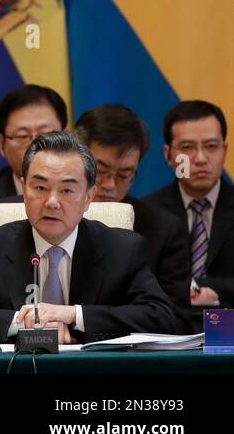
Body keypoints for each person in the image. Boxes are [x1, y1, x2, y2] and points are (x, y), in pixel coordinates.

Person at [0, 131, 177, 344]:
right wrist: (23, 322)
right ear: (24, 189)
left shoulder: (123, 249)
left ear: (88, 197)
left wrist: (73, 315)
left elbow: (161, 318)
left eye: (66, 190)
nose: (52, 202)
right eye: (40, 188)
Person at [73, 104, 191, 328]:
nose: (110, 185)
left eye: (124, 175)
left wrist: (80, 320)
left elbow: (176, 320)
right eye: (101, 171)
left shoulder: (162, 230)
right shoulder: (43, 213)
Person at [142, 100, 233, 309]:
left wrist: (201, 287)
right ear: (168, 154)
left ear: (224, 150)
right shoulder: (147, 213)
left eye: (211, 146)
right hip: (167, 330)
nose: (200, 159)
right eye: (187, 148)